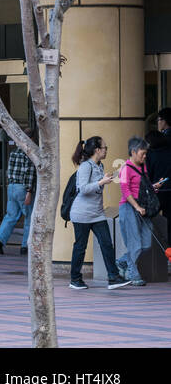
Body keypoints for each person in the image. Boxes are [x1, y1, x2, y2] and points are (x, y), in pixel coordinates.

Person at [68, 136, 130, 290]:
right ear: (97, 150)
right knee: (80, 246)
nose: (106, 150)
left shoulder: (99, 165)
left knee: (107, 244)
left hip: (97, 213)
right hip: (82, 214)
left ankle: (113, 277)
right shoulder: (85, 166)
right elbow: (82, 188)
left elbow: (96, 186)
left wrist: (109, 177)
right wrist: (101, 182)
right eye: (105, 148)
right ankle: (75, 279)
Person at [116, 137, 155, 287]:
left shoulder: (142, 167)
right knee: (135, 245)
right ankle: (134, 275)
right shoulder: (125, 168)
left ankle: (121, 262)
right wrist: (137, 207)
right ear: (133, 152)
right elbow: (125, 190)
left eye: (146, 154)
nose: (145, 157)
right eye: (142, 154)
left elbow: (142, 186)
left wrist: (153, 186)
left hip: (142, 208)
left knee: (146, 244)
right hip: (129, 207)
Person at [0, 140, 35, 256]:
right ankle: (25, 246)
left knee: (10, 215)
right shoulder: (29, 154)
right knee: (29, 217)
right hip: (22, 187)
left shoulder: (13, 153)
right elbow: (29, 174)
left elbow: (9, 171)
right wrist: (29, 191)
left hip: (11, 186)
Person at [147, 109, 171, 224]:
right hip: (168, 188)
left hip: (159, 189)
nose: (158, 122)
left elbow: (149, 172)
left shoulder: (154, 151)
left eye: (159, 119)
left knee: (147, 218)